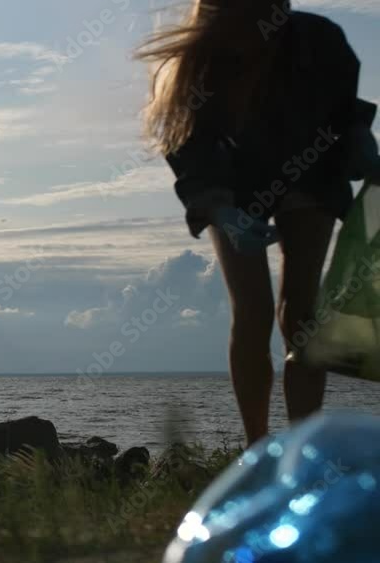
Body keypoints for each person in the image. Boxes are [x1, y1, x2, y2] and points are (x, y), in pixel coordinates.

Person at [135, 0, 378, 445]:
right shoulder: (199, 65)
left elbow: (342, 111)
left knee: (301, 316)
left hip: (312, 173)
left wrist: (359, 133)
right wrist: (218, 208)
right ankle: (256, 448)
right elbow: (190, 148)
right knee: (252, 313)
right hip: (233, 184)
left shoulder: (322, 41)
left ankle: (300, 451)